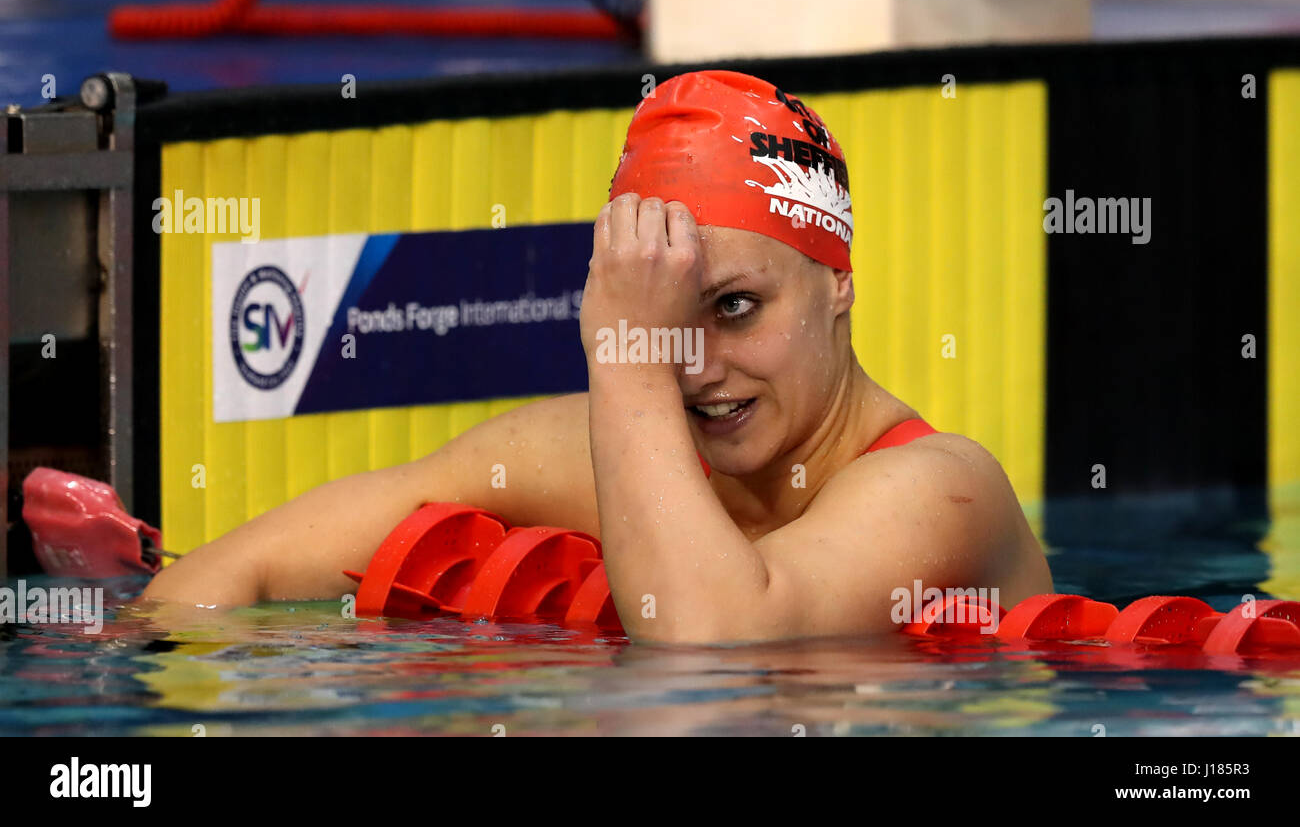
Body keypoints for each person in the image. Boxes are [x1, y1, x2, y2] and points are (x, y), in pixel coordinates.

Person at [143, 70, 1052, 642]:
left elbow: (709, 646)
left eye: (736, 307)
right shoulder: (584, 455)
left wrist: (622, 356)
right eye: (662, 320)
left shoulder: (939, 491)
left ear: (837, 280)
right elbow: (233, 574)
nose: (693, 368)